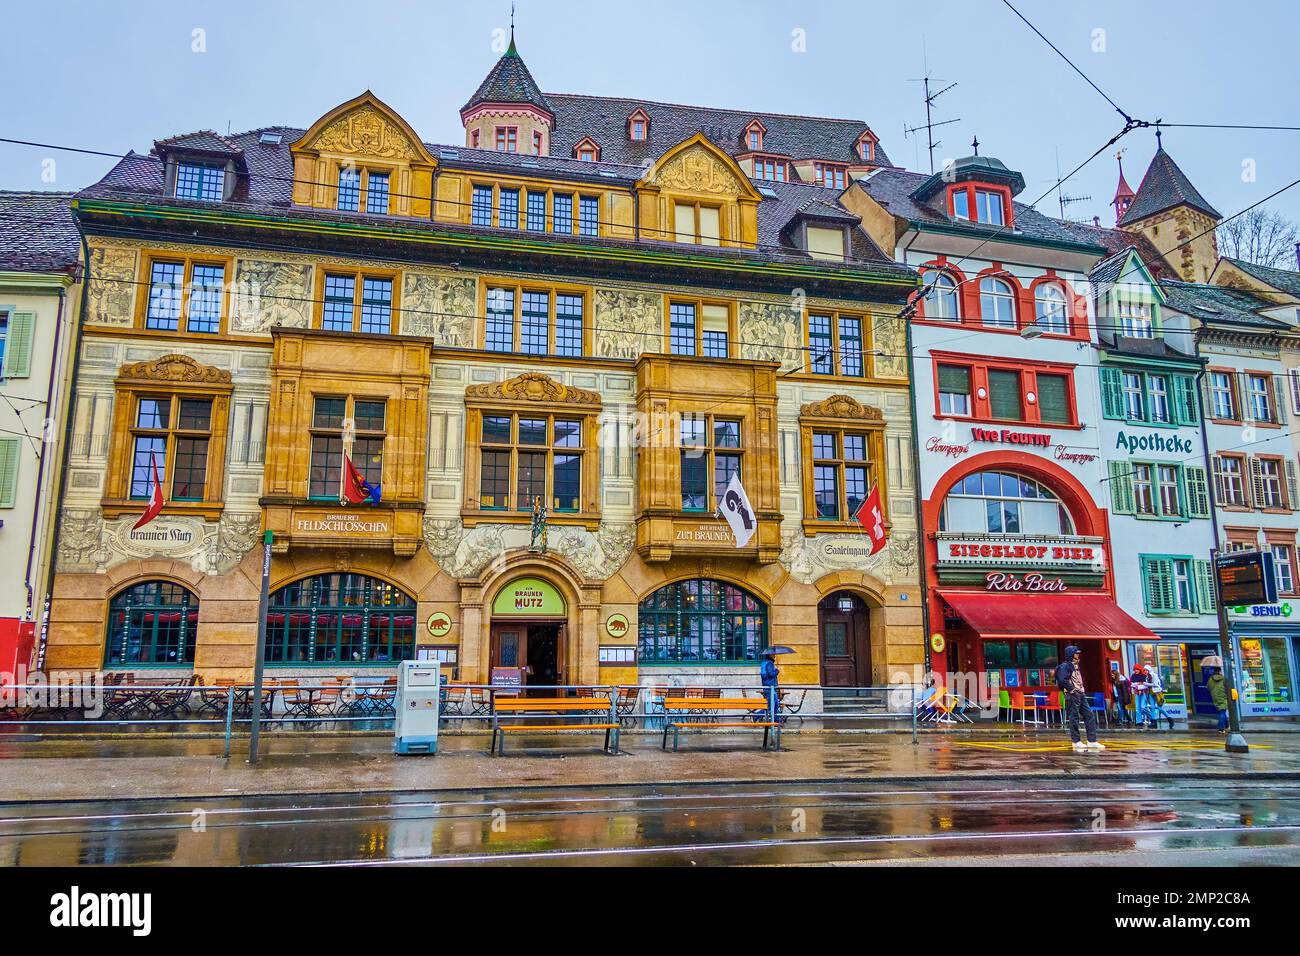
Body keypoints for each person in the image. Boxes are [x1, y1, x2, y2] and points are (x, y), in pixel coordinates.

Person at [1055, 644, 1105, 752]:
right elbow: (1061, 679)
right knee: (1074, 717)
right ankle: (1076, 742)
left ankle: (1092, 741)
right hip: (1072, 694)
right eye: (1076, 653)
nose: (1078, 655)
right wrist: (1071, 689)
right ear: (1071, 654)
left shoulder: (1075, 665)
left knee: (1089, 715)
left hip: (1080, 693)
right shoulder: (1065, 666)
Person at [1207, 666, 1230, 732]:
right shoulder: (1223, 678)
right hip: (1224, 697)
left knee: (1222, 711)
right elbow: (1227, 687)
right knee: (1222, 712)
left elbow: (1208, 687)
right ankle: (1221, 728)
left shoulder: (1210, 679)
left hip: (1215, 697)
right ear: (1220, 671)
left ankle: (1227, 725)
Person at [760, 650, 780, 720]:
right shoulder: (769, 663)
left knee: (775, 704)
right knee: (771, 705)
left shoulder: (764, 662)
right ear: (769, 655)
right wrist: (777, 670)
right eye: (773, 654)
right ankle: (756, 715)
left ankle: (777, 720)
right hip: (770, 687)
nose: (775, 655)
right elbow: (771, 674)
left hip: (767, 686)